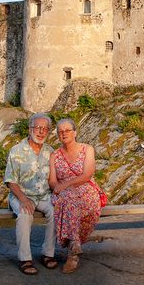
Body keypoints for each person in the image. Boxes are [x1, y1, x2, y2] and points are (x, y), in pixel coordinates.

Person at [3, 112, 58, 275]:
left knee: (56, 211)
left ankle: (48, 254)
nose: (41, 132)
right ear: (30, 129)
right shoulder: (17, 150)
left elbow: (55, 177)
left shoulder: (50, 151)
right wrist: (23, 199)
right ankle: (25, 259)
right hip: (21, 194)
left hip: (44, 195)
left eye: (45, 129)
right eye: (37, 128)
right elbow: (10, 180)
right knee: (25, 213)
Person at [49, 117, 102, 274]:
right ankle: (73, 251)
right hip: (65, 194)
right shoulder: (55, 155)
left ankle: (73, 247)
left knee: (69, 199)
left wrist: (65, 185)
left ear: (75, 132)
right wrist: (61, 188)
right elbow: (52, 181)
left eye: (67, 130)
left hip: (86, 190)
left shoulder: (87, 149)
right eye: (60, 131)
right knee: (69, 199)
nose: (64, 133)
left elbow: (87, 175)